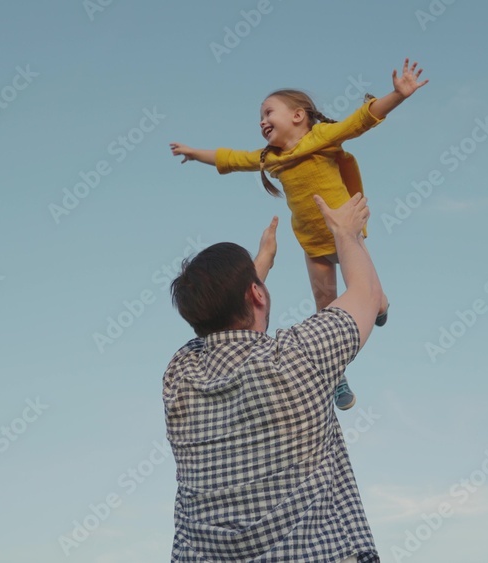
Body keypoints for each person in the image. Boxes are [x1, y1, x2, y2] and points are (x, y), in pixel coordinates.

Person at [169, 58, 428, 410]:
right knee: (325, 305)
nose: (262, 121)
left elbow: (359, 121)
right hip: (312, 243)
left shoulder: (320, 137)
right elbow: (230, 158)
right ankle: (338, 376)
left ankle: (380, 305)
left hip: (344, 233)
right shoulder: (270, 159)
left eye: (268, 112)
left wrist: (398, 95)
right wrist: (194, 153)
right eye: (259, 116)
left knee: (370, 293)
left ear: (298, 115)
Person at [163, 192, 384, 563]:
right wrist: (346, 234)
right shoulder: (300, 356)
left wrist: (257, 269)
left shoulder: (179, 378)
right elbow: (367, 294)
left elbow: (218, 322)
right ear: (256, 294)